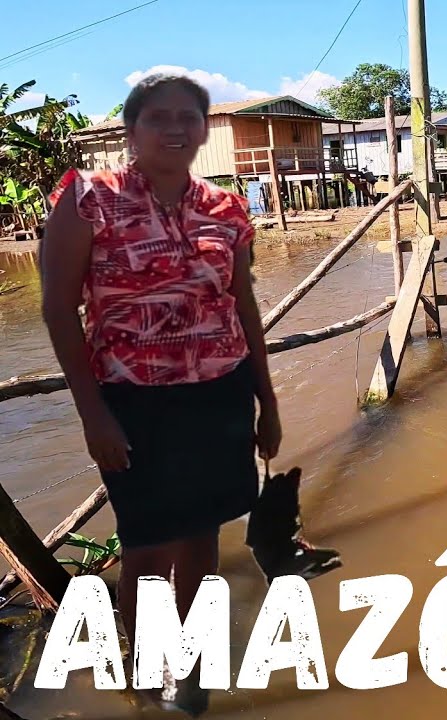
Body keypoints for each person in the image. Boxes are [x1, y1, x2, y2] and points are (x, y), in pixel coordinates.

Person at [40, 73, 280, 712]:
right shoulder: (88, 199)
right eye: (158, 117)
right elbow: (59, 311)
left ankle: (192, 665)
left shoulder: (227, 208)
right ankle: (149, 673)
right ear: (132, 129)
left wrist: (268, 402)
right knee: (146, 546)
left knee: (202, 537)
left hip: (221, 396)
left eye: (189, 117)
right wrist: (93, 416)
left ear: (204, 129)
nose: (175, 128)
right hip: (133, 402)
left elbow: (244, 304)